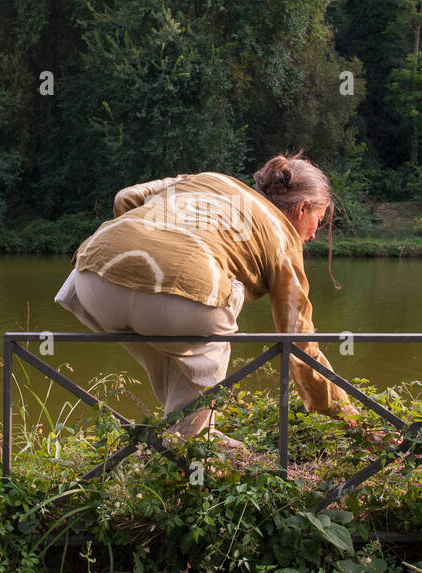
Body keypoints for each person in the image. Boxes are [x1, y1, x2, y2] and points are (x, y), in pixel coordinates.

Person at [54, 151, 358, 447]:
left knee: (182, 348)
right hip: (174, 298)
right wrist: (344, 415)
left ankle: (180, 437)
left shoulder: (209, 179)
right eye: (320, 220)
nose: (316, 234)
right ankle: (190, 450)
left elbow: (126, 197)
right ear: (303, 208)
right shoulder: (282, 236)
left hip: (91, 279)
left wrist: (141, 261)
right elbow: (298, 342)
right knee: (222, 295)